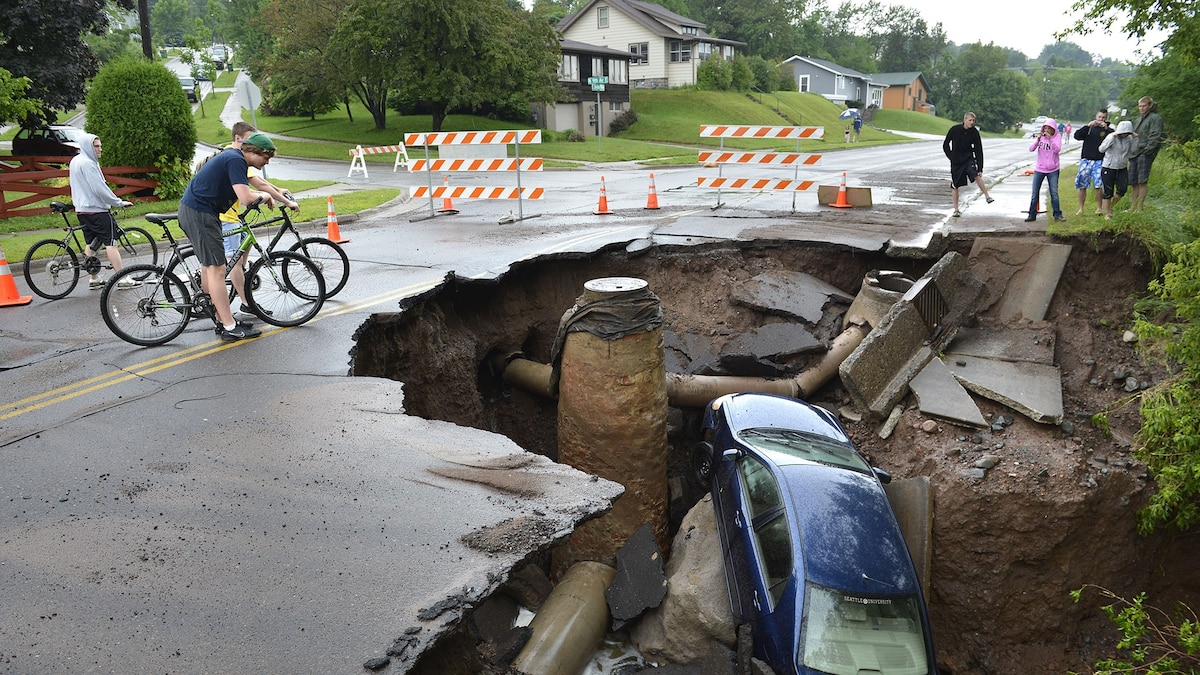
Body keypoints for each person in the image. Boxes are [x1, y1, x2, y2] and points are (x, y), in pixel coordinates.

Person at [177, 132, 277, 341]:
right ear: (255, 152)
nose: (266, 163)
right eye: (265, 158)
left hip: (198, 212)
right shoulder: (235, 160)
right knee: (217, 270)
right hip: (200, 214)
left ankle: (222, 319)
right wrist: (266, 196)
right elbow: (245, 197)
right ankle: (229, 327)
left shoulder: (233, 158)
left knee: (210, 267)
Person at [218, 122, 298, 327]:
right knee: (233, 261)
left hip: (233, 214)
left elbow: (260, 182)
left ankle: (240, 285)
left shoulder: (238, 158)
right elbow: (259, 185)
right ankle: (246, 304)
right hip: (224, 217)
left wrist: (277, 190)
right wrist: (285, 200)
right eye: (249, 140)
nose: (252, 144)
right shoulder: (235, 158)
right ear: (238, 139)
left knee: (244, 246)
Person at [68, 133, 136, 289]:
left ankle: (94, 278)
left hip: (82, 210)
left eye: (100, 146)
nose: (100, 149)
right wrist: (117, 202)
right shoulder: (89, 164)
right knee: (111, 242)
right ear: (87, 146)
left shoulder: (76, 161)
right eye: (96, 146)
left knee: (91, 244)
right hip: (97, 210)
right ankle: (122, 278)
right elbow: (99, 189)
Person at [942, 111, 994, 218]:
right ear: (964, 120)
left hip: (968, 158)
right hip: (956, 160)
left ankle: (987, 196)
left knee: (975, 174)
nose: (971, 122)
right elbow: (946, 144)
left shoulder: (974, 132)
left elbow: (979, 150)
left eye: (973, 121)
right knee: (955, 184)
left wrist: (980, 167)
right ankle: (956, 210)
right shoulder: (955, 129)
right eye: (970, 120)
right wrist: (951, 156)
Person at [1128, 96, 1164, 212]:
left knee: (1142, 180)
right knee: (1133, 181)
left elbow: (1155, 136)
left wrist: (1147, 150)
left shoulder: (1155, 118)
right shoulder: (1139, 119)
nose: (1142, 108)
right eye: (1140, 106)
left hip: (1145, 152)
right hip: (1134, 152)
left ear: (1150, 106)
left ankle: (1139, 208)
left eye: (1144, 106)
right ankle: (1132, 207)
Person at [1073, 109, 1112, 215]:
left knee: (1098, 185)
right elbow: (1077, 136)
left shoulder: (1108, 131)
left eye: (1103, 117)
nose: (1101, 120)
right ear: (1096, 117)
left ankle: (1099, 208)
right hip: (1086, 160)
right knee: (1082, 185)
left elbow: (1113, 138)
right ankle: (1081, 208)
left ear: (1106, 118)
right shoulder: (1090, 128)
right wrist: (1087, 126)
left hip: (1099, 160)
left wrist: (1106, 129)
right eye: (1099, 117)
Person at [1026, 119, 1064, 222]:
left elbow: (1057, 150)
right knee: (1035, 193)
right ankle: (1032, 214)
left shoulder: (1057, 137)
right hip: (1040, 168)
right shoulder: (1041, 138)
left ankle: (1057, 214)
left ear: (1053, 129)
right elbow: (1031, 149)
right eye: (1045, 128)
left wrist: (1050, 139)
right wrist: (1038, 140)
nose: (1046, 130)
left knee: (1054, 192)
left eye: (1049, 128)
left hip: (1053, 169)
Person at [1098, 120, 1136, 220]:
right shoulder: (1111, 137)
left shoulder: (1130, 138)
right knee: (1108, 191)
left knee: (1122, 189)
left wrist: (1136, 139)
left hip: (1122, 167)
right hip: (1108, 167)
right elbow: (1101, 149)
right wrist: (1111, 140)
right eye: (1123, 132)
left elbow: (1133, 151)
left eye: (1127, 133)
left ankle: (1110, 207)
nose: (1125, 134)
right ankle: (1107, 213)